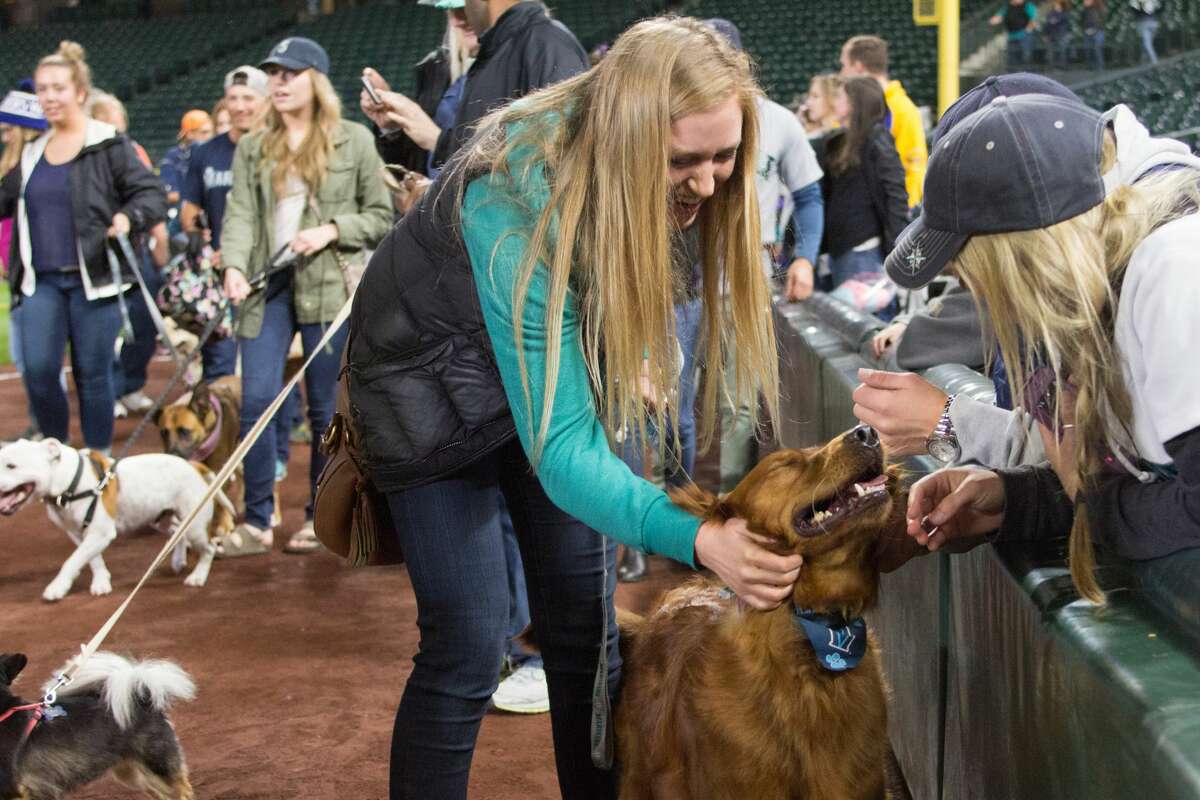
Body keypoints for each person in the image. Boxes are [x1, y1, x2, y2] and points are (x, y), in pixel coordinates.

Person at [348, 17, 802, 799]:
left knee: (585, 631)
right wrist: (698, 539)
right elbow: (561, 454)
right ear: (628, 142)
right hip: (424, 397)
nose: (708, 182)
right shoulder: (511, 202)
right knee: (467, 635)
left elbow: (615, 289)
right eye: (683, 161)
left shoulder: (660, 180)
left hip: (531, 373)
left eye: (726, 156)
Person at [362, 0, 588, 714]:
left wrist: (435, 140)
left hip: (513, 342)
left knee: (574, 615)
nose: (452, 13)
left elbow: (552, 185)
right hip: (456, 345)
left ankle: (527, 651)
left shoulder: (546, 45)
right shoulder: (488, 52)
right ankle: (513, 648)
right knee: (463, 632)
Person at [887, 95, 1200, 602]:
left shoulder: (1174, 267)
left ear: (1020, 256)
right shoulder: (1127, 275)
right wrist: (1020, 499)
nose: (981, 296)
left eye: (974, 273)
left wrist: (1092, 510)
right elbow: (1160, 496)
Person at [853, 74, 1085, 471]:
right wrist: (1009, 498)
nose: (961, 275)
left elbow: (1106, 480)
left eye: (968, 250)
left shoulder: (1157, 285)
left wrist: (950, 423)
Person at [220, 37, 391, 557]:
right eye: (273, 72)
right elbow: (242, 214)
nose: (278, 81)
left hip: (327, 285)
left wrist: (331, 230)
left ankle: (320, 517)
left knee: (324, 411)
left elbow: (381, 216)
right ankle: (255, 520)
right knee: (254, 402)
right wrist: (231, 263)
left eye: (290, 73)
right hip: (266, 285)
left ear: (314, 79)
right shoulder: (253, 145)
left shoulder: (354, 140)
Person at [0, 41, 165, 452]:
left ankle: (97, 458)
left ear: (79, 93)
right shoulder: (33, 152)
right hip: (41, 284)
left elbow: (151, 194)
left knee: (93, 375)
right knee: (38, 370)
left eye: (58, 88)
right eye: (42, 89)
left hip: (96, 281)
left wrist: (128, 217)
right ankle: (57, 451)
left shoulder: (108, 143)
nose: (49, 97)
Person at [704, 18, 825, 497]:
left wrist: (806, 257)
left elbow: (810, 196)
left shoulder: (777, 120)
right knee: (666, 404)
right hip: (678, 279)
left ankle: (731, 515)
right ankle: (657, 521)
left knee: (737, 407)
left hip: (747, 278)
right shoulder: (673, 118)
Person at [181, 65, 269, 382]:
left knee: (266, 364)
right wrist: (197, 237)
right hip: (220, 274)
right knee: (219, 362)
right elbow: (189, 211)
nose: (240, 106)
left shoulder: (279, 148)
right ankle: (222, 432)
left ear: (265, 100)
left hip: (267, 272)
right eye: (233, 98)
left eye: (248, 97)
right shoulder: (206, 152)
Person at [816, 76, 906, 314]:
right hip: (843, 249)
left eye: (840, 96)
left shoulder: (877, 139)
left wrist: (898, 252)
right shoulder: (843, 140)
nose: (834, 101)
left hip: (863, 251)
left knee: (867, 329)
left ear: (855, 103)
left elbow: (895, 194)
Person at [362, 0, 478, 179]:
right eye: (452, 8)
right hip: (437, 202)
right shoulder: (435, 69)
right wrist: (393, 127)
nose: (459, 18)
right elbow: (416, 162)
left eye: (467, 6)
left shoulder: (524, 64)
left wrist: (436, 140)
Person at [0, 80, 48, 441]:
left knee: (36, 358)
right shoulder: (9, 169)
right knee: (26, 357)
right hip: (16, 274)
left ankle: (46, 426)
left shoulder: (29, 170)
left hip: (36, 272)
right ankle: (40, 422)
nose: (3, 135)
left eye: (7, 128)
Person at [840, 35, 927, 208]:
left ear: (858, 67)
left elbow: (912, 171)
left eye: (843, 66)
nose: (841, 73)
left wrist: (899, 221)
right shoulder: (848, 106)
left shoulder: (902, 109)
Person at [159, 109, 212, 208]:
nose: (209, 136)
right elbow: (171, 195)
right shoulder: (173, 157)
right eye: (204, 132)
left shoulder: (214, 153)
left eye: (211, 132)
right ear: (190, 134)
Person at [990, 0, 1038, 69]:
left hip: (1024, 36)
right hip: (1011, 37)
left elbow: (1034, 18)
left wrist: (1028, 30)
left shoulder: (1027, 6)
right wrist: (994, 20)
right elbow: (999, 17)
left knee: (1026, 59)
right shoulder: (1007, 7)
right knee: (1012, 60)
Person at [799, 73, 842, 138]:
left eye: (815, 96)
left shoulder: (840, 133)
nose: (808, 103)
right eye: (809, 96)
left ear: (832, 98)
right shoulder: (817, 133)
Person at [1043, 0, 1073, 69]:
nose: (1056, 5)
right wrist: (1045, 34)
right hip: (1051, 34)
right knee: (1050, 51)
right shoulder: (1050, 13)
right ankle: (1051, 65)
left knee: (1062, 50)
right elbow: (1047, 24)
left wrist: (1056, 20)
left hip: (1062, 34)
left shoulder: (1066, 13)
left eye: (1057, 4)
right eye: (1055, 5)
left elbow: (1066, 22)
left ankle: (1063, 65)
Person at [1082, 0, 1106, 70]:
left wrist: (1094, 29)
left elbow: (1100, 21)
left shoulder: (1098, 9)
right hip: (1087, 31)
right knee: (1088, 49)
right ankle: (1091, 66)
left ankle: (1100, 66)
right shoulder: (1085, 10)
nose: (1084, 1)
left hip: (1098, 31)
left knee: (1097, 49)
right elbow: (1083, 20)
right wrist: (1085, 29)